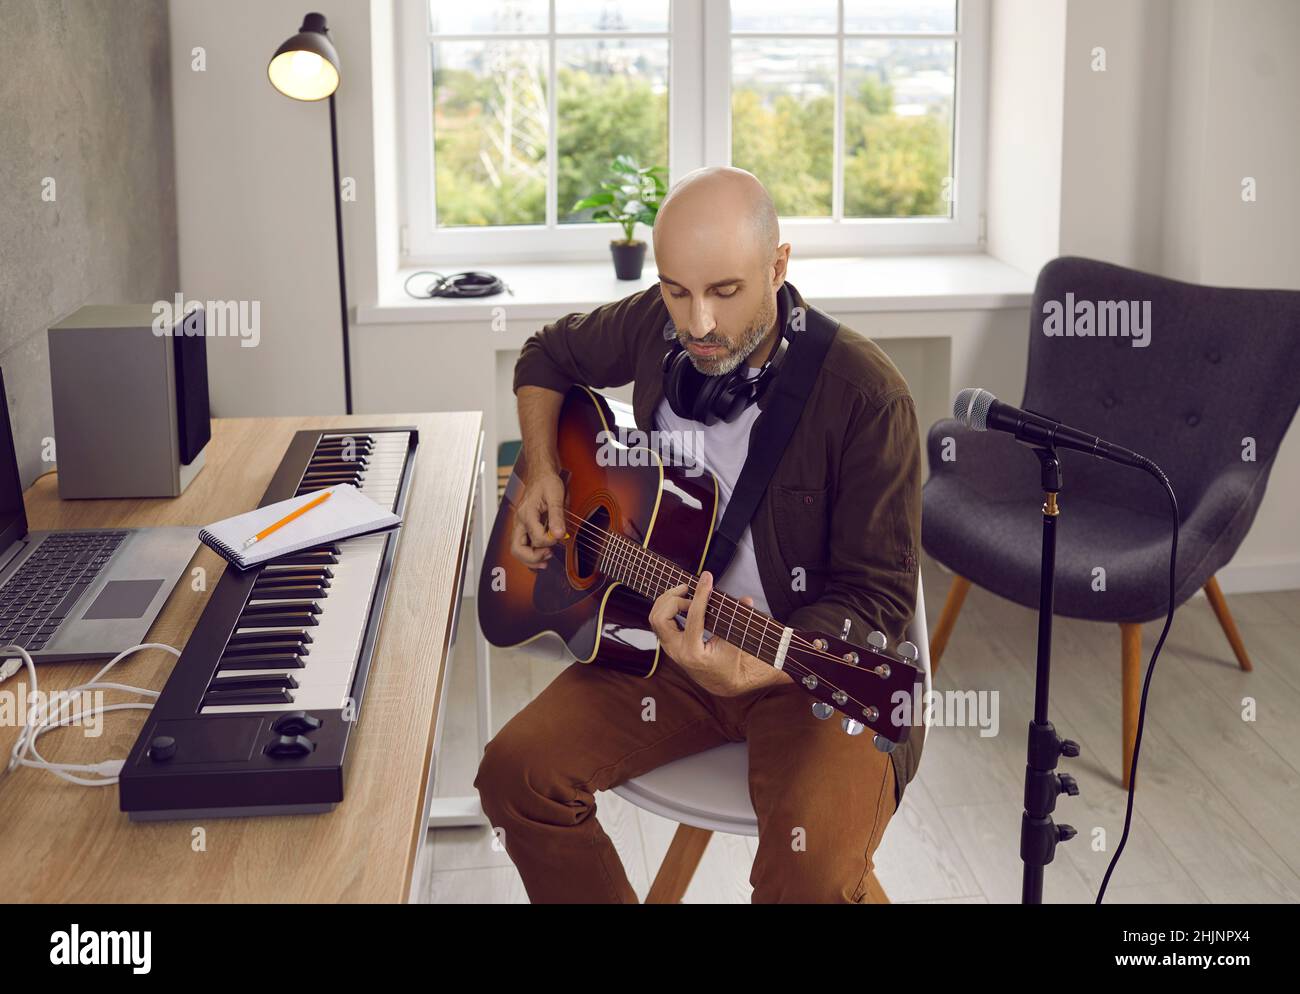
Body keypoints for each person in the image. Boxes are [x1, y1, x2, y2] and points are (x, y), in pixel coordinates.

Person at [474, 166, 922, 903]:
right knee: (516, 777)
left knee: (808, 873)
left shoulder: (868, 399)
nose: (699, 325)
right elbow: (545, 357)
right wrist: (546, 472)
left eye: (724, 291)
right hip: (662, 645)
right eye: (677, 290)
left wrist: (759, 667)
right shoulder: (658, 323)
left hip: (805, 668)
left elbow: (875, 605)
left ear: (778, 266)